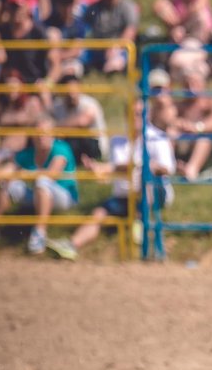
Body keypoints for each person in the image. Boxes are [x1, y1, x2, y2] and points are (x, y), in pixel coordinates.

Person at [48, 94, 176, 261]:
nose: (135, 118)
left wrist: (144, 166)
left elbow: (167, 169)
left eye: (139, 114)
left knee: (146, 181)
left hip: (153, 194)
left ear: (148, 115)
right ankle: (72, 245)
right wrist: (100, 170)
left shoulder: (158, 137)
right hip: (124, 196)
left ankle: (141, 226)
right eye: (132, 114)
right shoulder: (118, 140)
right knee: (98, 214)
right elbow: (119, 169)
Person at [0, 116, 78, 254]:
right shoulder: (27, 153)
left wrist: (25, 174)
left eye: (45, 133)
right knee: (8, 184)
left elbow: (52, 174)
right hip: (38, 194)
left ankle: (40, 233)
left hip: (64, 197)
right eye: (37, 133)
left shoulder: (61, 149)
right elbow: (4, 172)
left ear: (53, 134)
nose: (41, 137)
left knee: (42, 181)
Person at [75, 0, 137, 75]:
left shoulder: (127, 6)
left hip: (119, 48)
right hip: (97, 48)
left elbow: (130, 31)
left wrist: (117, 47)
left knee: (116, 62)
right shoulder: (93, 8)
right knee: (78, 56)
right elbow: (81, 27)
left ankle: (114, 78)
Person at [51, 73, 108, 169]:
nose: (71, 94)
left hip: (93, 144)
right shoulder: (57, 106)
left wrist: (57, 126)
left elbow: (82, 122)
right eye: (68, 90)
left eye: (74, 89)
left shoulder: (89, 103)